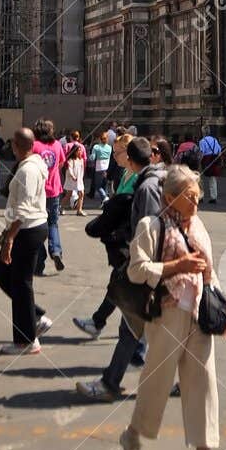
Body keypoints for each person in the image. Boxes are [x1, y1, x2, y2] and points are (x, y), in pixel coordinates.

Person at [119, 164, 226, 450]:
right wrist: (176, 266)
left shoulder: (198, 226)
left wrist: (222, 312)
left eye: (198, 196)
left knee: (204, 384)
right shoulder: (151, 225)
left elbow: (208, 272)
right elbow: (137, 270)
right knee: (157, 381)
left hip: (198, 313)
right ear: (170, 197)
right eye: (190, 196)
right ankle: (133, 437)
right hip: (166, 313)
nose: (196, 201)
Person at [77, 137, 164, 399]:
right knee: (145, 326)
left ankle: (110, 383)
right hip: (157, 264)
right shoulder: (157, 178)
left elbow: (147, 227)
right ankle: (112, 381)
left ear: (130, 158)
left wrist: (134, 255)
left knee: (133, 323)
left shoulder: (147, 186)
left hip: (149, 265)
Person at [0, 127, 50, 355]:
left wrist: (9, 239)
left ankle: (27, 340)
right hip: (30, 228)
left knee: (21, 283)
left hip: (27, 230)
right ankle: (34, 316)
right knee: (4, 275)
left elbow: (23, 210)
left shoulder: (28, 170)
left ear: (18, 145)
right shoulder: (34, 164)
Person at [32, 120, 68, 273]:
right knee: (53, 223)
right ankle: (56, 251)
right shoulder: (57, 145)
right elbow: (61, 163)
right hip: (54, 189)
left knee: (37, 226)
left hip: (38, 192)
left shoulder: (35, 146)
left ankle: (39, 263)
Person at [63, 129, 87, 213]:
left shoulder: (67, 145)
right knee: (69, 194)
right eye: (78, 150)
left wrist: (82, 174)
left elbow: (83, 161)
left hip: (79, 176)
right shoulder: (81, 147)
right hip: (71, 175)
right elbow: (70, 167)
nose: (80, 151)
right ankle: (61, 207)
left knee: (81, 193)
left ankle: (79, 209)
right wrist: (72, 175)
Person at [197, 130, 223, 205]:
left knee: (200, 178)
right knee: (213, 178)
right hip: (214, 159)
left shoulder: (202, 141)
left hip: (206, 160)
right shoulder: (215, 140)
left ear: (203, 133)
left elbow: (202, 152)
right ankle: (213, 197)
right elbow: (219, 150)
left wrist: (199, 161)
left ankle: (200, 196)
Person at [88, 128, 112, 204]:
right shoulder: (109, 147)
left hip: (99, 167)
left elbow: (92, 158)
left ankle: (105, 197)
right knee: (104, 185)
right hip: (107, 167)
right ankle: (104, 201)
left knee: (98, 186)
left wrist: (90, 155)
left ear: (100, 138)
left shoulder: (96, 147)